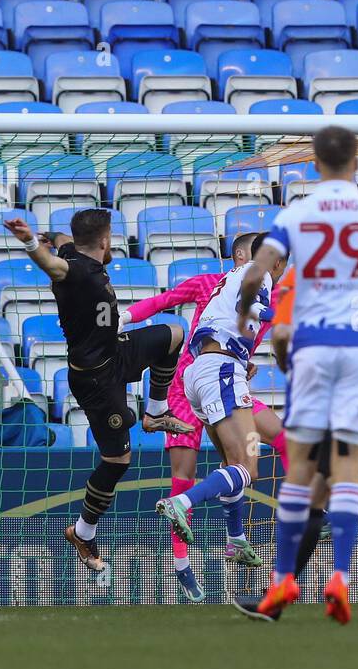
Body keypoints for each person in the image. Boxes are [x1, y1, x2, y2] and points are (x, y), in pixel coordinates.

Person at [238, 125, 358, 623]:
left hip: (313, 348)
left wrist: (244, 311)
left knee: (300, 470)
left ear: (315, 162)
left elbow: (258, 273)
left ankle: (283, 580)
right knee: (349, 467)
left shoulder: (297, 213)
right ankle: (340, 578)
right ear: (356, 162)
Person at [3, 208, 189, 572]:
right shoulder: (74, 270)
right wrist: (29, 241)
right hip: (96, 379)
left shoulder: (74, 249)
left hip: (114, 351)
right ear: (106, 240)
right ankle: (83, 532)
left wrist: (47, 235)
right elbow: (53, 265)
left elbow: (59, 242)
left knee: (173, 335)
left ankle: (155, 413)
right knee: (117, 461)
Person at [120, 233, 283, 599]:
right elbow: (247, 309)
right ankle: (182, 522)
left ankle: (236, 539)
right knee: (245, 467)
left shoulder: (222, 285)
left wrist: (245, 358)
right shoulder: (256, 275)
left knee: (231, 460)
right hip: (210, 376)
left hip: (206, 373)